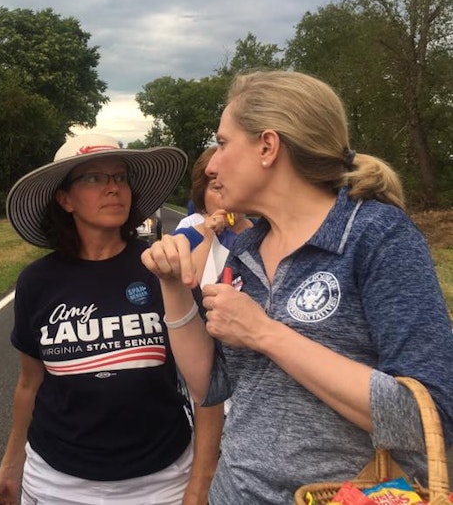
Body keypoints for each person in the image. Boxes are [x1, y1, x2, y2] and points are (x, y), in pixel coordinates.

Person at [141, 70, 453, 503]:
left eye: (223, 143)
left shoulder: (375, 235)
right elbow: (209, 386)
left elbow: (429, 417)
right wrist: (173, 286)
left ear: (268, 147)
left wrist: (265, 334)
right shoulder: (246, 250)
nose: (211, 165)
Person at [0, 133, 225, 505]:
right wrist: (10, 468)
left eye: (120, 177)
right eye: (94, 178)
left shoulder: (162, 269)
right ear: (65, 199)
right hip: (55, 485)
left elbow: (206, 386)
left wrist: (201, 483)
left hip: (161, 483)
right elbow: (30, 384)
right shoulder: (37, 282)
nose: (113, 187)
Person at [175, 146, 253, 288]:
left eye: (236, 185)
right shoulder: (185, 239)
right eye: (217, 187)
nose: (228, 196)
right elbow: (184, 291)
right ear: (202, 194)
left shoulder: (267, 232)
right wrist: (208, 237)